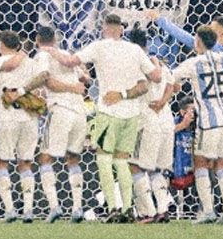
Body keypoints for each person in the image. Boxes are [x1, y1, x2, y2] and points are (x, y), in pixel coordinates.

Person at [54, 15, 163, 223]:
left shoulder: (99, 47)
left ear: (104, 28)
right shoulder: (135, 50)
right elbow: (154, 78)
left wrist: (50, 51)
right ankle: (128, 209)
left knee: (103, 159)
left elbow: (69, 61)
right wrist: (151, 67)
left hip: (109, 113)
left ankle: (113, 208)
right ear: (121, 29)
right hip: (131, 114)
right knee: (122, 161)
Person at [171, 25, 223, 224]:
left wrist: (175, 84)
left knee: (200, 162)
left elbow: (171, 77)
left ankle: (208, 211)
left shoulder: (193, 63)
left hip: (209, 122)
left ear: (198, 41)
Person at [35, 25, 89, 223]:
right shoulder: (65, 54)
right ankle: (77, 208)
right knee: (73, 158)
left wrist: (70, 87)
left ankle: (54, 206)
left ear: (37, 40)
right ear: (55, 39)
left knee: (45, 157)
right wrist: (77, 84)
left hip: (60, 109)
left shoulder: (42, 55)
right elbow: (86, 78)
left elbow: (47, 81)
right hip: (80, 111)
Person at [0, 30, 47, 223]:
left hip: (7, 119)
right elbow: (42, 88)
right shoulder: (31, 63)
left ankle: (9, 209)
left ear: (1, 45)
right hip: (29, 119)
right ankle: (28, 209)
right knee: (26, 163)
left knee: (2, 162)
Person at [126, 26, 175, 223]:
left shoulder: (137, 65)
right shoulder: (159, 63)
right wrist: (163, 100)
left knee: (135, 165)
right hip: (166, 121)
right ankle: (163, 209)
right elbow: (173, 85)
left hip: (146, 121)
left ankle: (147, 212)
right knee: (156, 168)